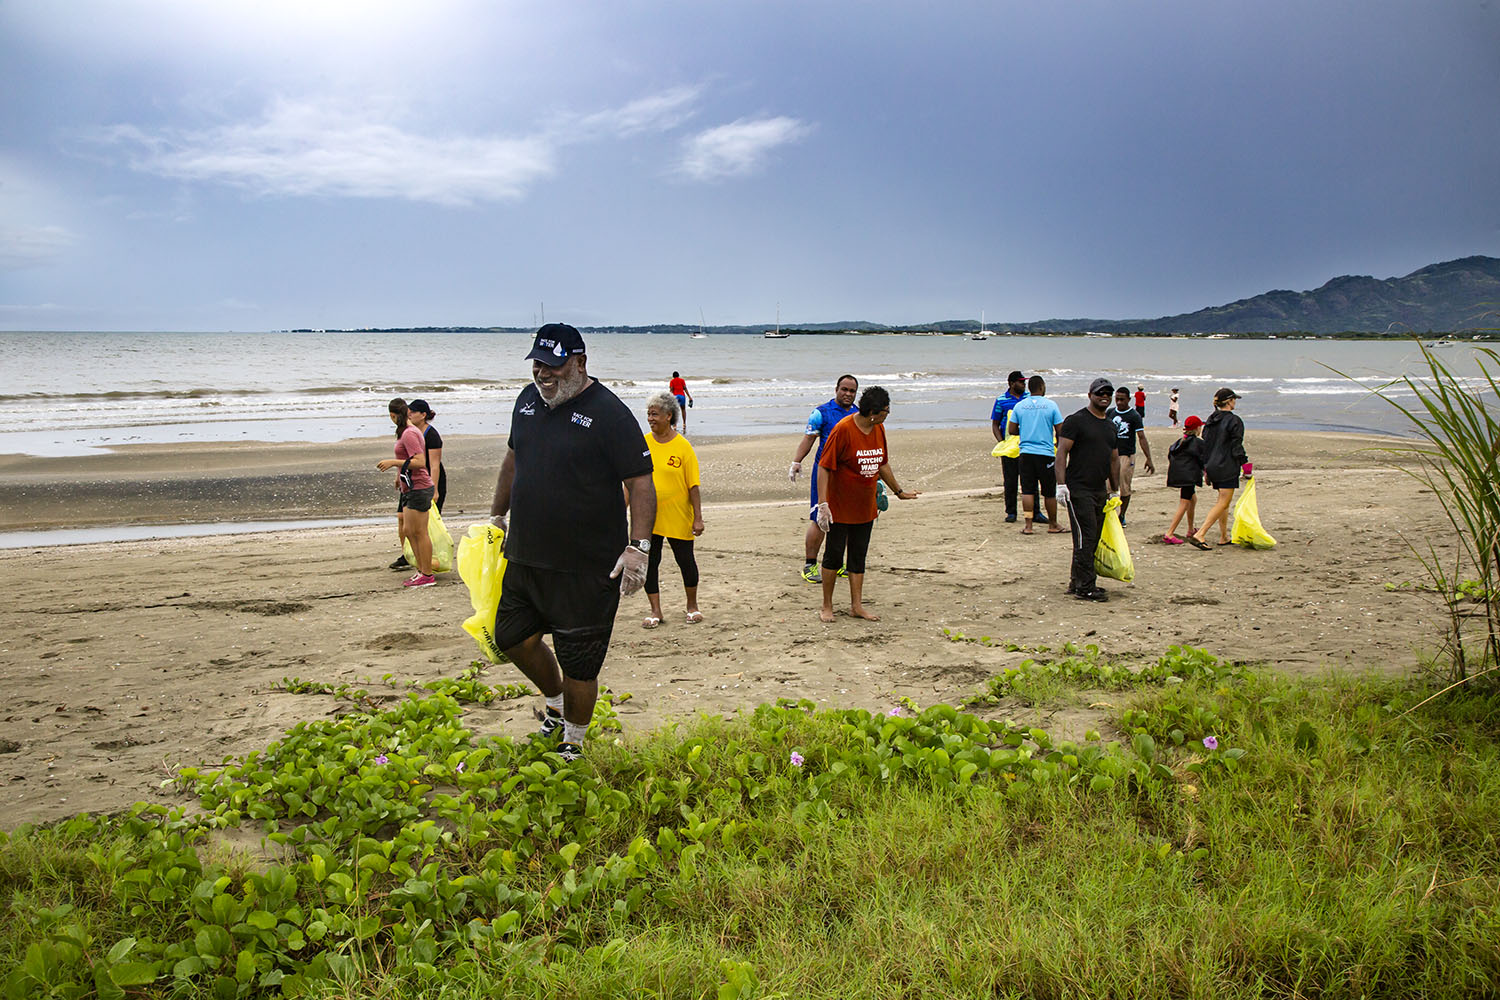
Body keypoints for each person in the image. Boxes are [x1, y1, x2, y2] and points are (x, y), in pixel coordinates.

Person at [488, 323, 656, 763]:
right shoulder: (526, 402)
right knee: (511, 637)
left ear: (580, 362)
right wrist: (496, 514)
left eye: (555, 365)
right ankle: (557, 703)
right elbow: (513, 457)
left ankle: (573, 742)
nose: (544, 374)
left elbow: (640, 483)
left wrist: (639, 547)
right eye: (538, 364)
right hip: (526, 554)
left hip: (587, 565)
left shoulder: (610, 414)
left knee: (580, 661)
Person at [815, 386, 920, 622]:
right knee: (833, 555)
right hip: (840, 506)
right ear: (873, 411)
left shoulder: (878, 429)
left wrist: (899, 492)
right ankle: (827, 606)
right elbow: (824, 466)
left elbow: (882, 463)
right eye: (885, 411)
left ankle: (856, 606)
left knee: (858, 556)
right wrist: (823, 504)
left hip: (865, 505)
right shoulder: (843, 430)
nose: (887, 415)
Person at [641, 391, 704, 628]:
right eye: (648, 414)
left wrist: (698, 517)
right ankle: (655, 611)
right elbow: (633, 480)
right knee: (650, 563)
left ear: (669, 416)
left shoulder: (683, 447)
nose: (650, 418)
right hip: (650, 517)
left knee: (685, 561)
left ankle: (692, 606)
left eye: (655, 414)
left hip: (679, 515)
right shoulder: (644, 444)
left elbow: (693, 486)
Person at [788, 374, 859, 582]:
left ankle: (836, 563)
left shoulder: (858, 414)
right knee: (820, 520)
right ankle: (810, 565)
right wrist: (796, 461)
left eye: (852, 391)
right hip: (824, 474)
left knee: (845, 521)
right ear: (836, 389)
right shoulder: (821, 413)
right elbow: (809, 439)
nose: (847, 394)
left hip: (848, 476)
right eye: (844, 389)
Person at [1055, 378, 1120, 602]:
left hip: (1099, 489)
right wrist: (1061, 485)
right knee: (1086, 536)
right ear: (1090, 394)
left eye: (1108, 393)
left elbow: (1113, 460)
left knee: (1092, 537)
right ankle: (1086, 586)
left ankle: (1076, 581)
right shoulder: (1076, 421)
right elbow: (1062, 452)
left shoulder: (1111, 426)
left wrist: (1115, 489)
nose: (1105, 396)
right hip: (1077, 488)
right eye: (1100, 393)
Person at [374, 398, 437, 588]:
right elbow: (407, 458)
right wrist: (398, 475)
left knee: (419, 532)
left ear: (395, 415)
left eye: (391, 416)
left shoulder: (410, 433)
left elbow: (419, 461)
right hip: (409, 486)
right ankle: (421, 570)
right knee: (409, 531)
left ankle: (427, 573)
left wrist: (394, 463)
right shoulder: (404, 432)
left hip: (419, 486)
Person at [1189, 388, 1251, 550]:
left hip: (1212, 464)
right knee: (1224, 501)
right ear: (1229, 401)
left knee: (1223, 501)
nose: (1235, 402)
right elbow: (1237, 447)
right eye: (1234, 400)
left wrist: (1206, 468)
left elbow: (1206, 445)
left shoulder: (1210, 420)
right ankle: (1200, 533)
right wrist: (1246, 466)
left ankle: (1224, 536)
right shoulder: (1235, 421)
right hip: (1227, 464)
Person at [1006, 375, 1066, 535]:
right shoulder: (1051, 405)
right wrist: (1057, 445)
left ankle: (1028, 525)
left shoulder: (1020, 406)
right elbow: (1060, 430)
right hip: (1045, 453)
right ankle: (1053, 524)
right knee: (1048, 491)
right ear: (1042, 387)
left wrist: (1025, 431)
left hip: (1026, 453)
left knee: (1027, 491)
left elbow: (1011, 430)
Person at [1108, 386, 1154, 526]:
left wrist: (1149, 458)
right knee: (1108, 487)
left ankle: (1122, 515)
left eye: (1122, 399)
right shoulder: (1110, 413)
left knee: (1124, 486)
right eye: (1117, 399)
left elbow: (1141, 437)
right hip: (1110, 455)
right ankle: (1110, 514)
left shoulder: (1134, 416)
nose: (1119, 402)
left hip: (1126, 455)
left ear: (1129, 399)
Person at [990, 370, 1032, 524]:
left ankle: (1036, 512)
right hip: (1009, 446)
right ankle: (1011, 512)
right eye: (1020, 382)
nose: (1023, 384)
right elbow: (995, 423)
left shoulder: (1029, 398)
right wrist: (1001, 442)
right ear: (1011, 383)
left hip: (1027, 444)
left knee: (1030, 480)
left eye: (1024, 382)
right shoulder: (1001, 400)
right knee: (1010, 480)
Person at [1163, 415, 1206, 544]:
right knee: (1184, 503)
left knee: (1193, 499)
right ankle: (1169, 533)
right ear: (1198, 428)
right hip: (1188, 476)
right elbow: (1203, 459)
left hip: (1179, 475)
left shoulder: (1180, 441)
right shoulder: (1197, 442)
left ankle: (1190, 529)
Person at [407, 399, 446, 513]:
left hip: (432, 478)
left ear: (423, 415)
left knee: (431, 517)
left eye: (413, 412)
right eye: (409, 412)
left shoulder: (431, 435)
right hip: (417, 478)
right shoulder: (411, 432)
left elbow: (435, 465)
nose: (409, 415)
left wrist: (434, 490)